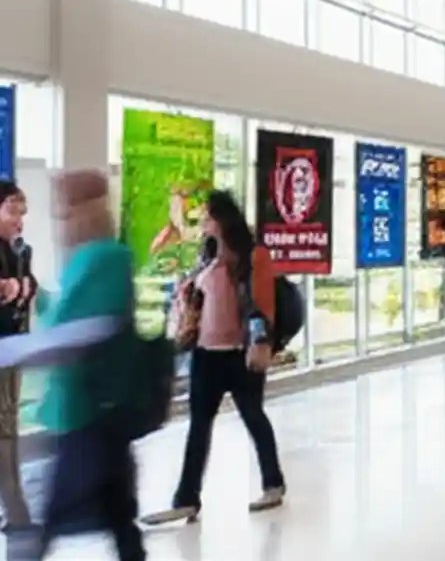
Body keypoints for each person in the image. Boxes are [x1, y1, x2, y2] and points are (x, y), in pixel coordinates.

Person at [0, 172, 146, 560]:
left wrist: (14, 351)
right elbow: (66, 317)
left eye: (64, 212)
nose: (58, 222)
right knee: (119, 518)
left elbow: (87, 331)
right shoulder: (86, 260)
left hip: (90, 415)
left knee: (48, 523)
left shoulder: (107, 258)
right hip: (87, 414)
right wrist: (34, 296)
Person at [142, 191, 285, 525]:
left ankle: (273, 483)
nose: (202, 222)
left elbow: (261, 303)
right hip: (206, 355)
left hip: (240, 354)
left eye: (206, 216)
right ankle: (186, 498)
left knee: (253, 416)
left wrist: (260, 341)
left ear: (222, 219)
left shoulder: (254, 256)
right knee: (198, 427)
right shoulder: (205, 255)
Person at [0, 181, 32, 533]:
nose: (18, 220)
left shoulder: (19, 251)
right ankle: (15, 509)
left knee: (7, 424)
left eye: (22, 213)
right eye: (11, 210)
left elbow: (25, 286)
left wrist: (18, 288)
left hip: (13, 345)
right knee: (5, 428)